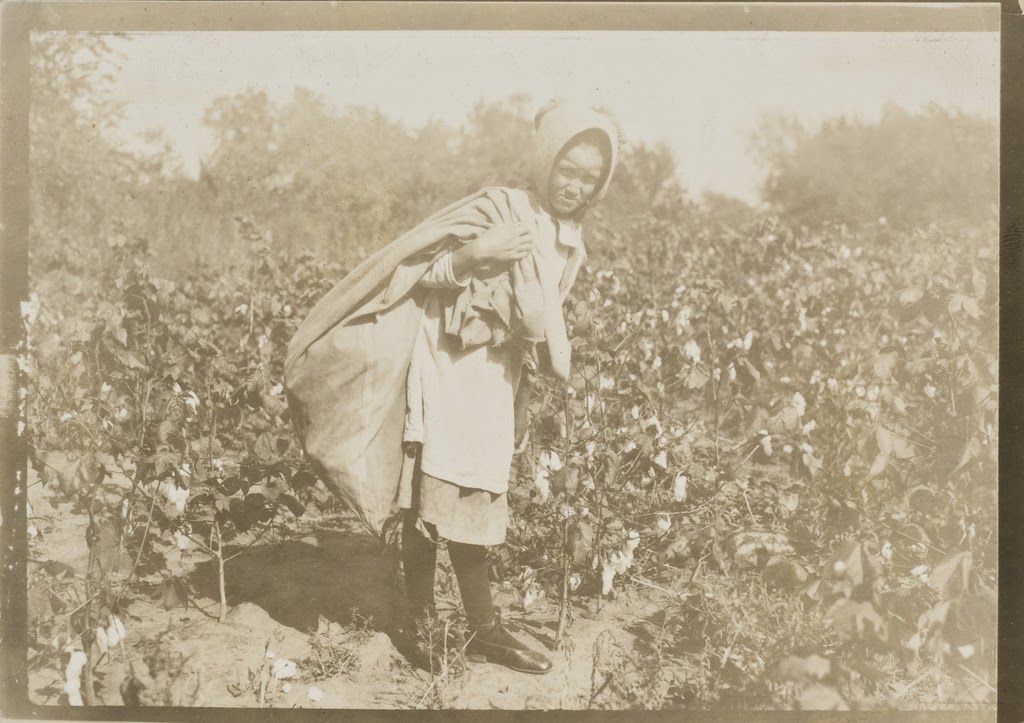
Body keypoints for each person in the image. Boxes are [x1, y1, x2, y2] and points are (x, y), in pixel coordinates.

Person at [283, 99, 621, 677]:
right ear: (545, 161)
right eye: (568, 170)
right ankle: (417, 616)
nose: (575, 185)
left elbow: (537, 333)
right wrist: (471, 255)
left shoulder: (570, 240)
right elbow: (421, 277)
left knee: (478, 494)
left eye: (590, 177)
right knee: (427, 496)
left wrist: (522, 400)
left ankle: (482, 627)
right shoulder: (500, 208)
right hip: (443, 365)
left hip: (494, 377)